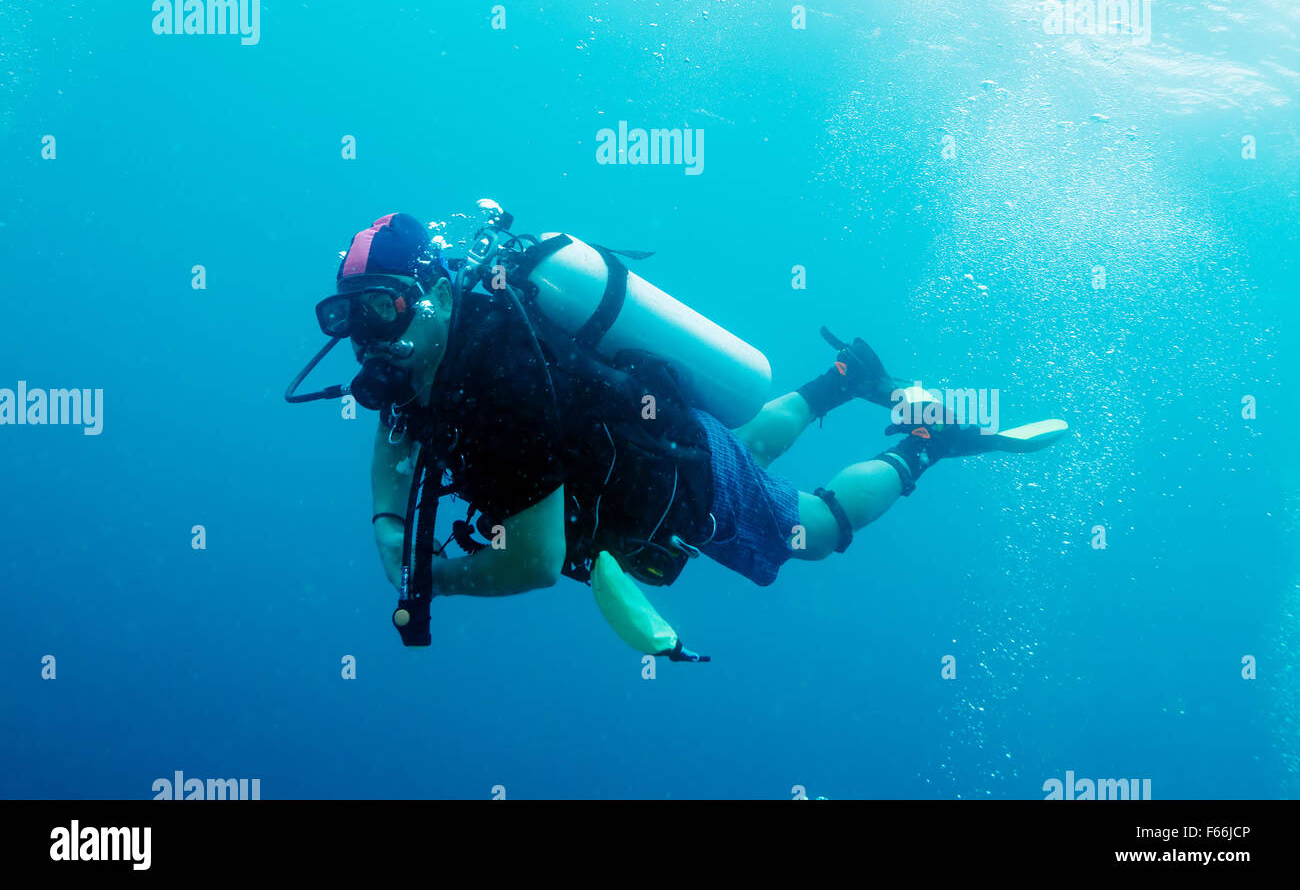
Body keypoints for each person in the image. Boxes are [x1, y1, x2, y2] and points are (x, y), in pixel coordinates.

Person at [293, 211, 1067, 613]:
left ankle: (924, 445)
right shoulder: (419, 357)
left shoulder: (501, 384)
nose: (366, 340)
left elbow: (529, 564)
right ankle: (847, 376)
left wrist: (433, 578)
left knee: (813, 529)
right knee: (745, 455)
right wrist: (390, 529)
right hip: (665, 442)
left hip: (679, 481)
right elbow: (393, 433)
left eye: (384, 309)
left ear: (431, 294)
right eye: (346, 317)